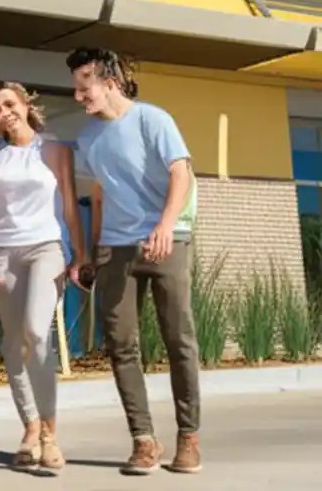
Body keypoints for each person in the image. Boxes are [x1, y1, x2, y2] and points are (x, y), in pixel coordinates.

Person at [66, 46, 201, 476]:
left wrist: (165, 224)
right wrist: (90, 253)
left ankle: (189, 436)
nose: (79, 96)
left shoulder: (152, 119)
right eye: (76, 88)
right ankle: (144, 440)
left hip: (167, 239)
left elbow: (180, 172)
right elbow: (101, 195)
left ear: (110, 82)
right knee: (120, 344)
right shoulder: (88, 139)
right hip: (117, 247)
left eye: (84, 86)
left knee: (178, 338)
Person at [0, 82, 86, 474]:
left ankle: (50, 435)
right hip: (6, 253)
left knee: (37, 333)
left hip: (47, 248)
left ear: (26, 105)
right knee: (13, 343)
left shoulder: (55, 151)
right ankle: (30, 428)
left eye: (9, 104)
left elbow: (71, 208)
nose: (3, 112)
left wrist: (81, 254)